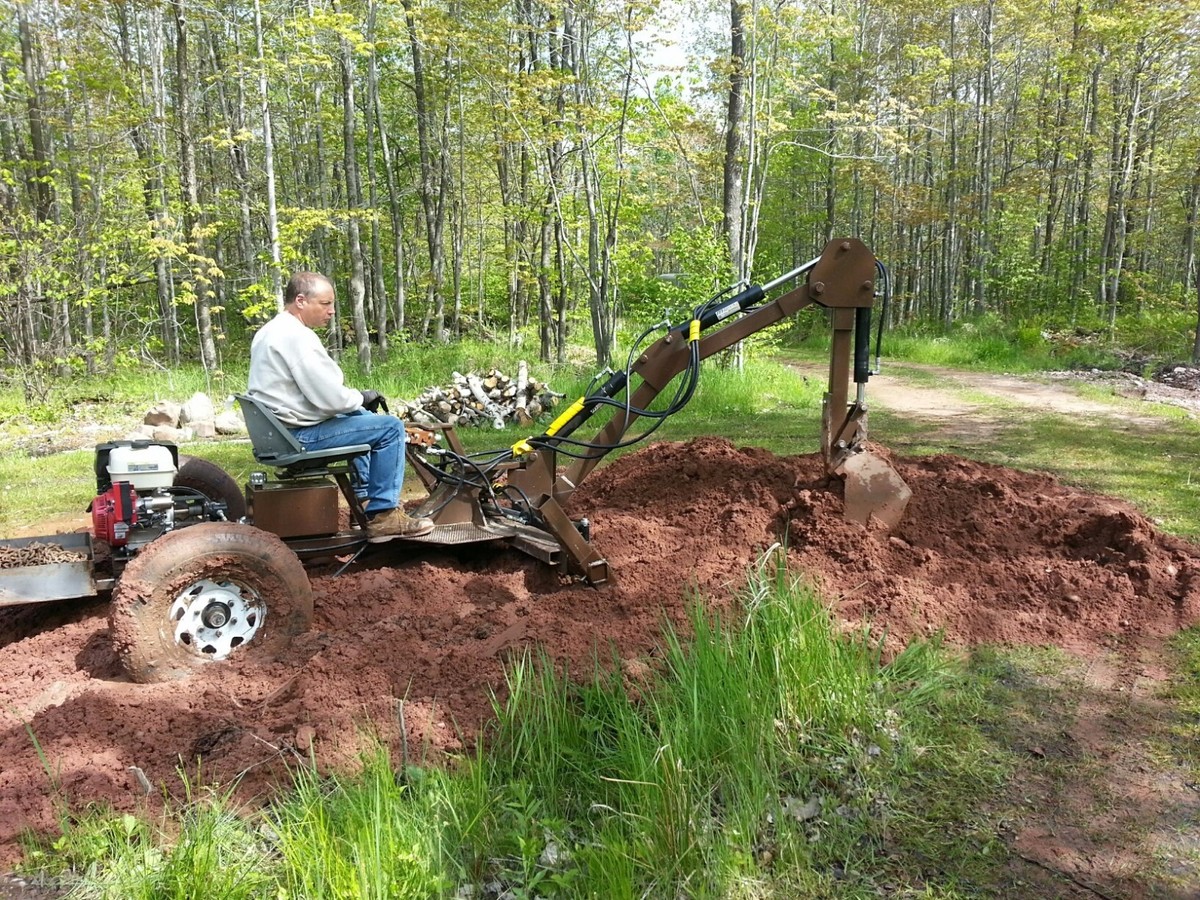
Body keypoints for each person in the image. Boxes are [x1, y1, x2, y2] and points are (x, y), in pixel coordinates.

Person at [247, 272, 434, 542]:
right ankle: (384, 516)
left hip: (282, 432)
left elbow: (318, 395)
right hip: (297, 437)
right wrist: (361, 397)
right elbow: (330, 399)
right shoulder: (296, 338)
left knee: (359, 417)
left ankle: (367, 502)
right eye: (325, 304)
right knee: (390, 428)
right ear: (300, 300)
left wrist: (356, 404)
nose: (332, 311)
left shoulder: (270, 331)